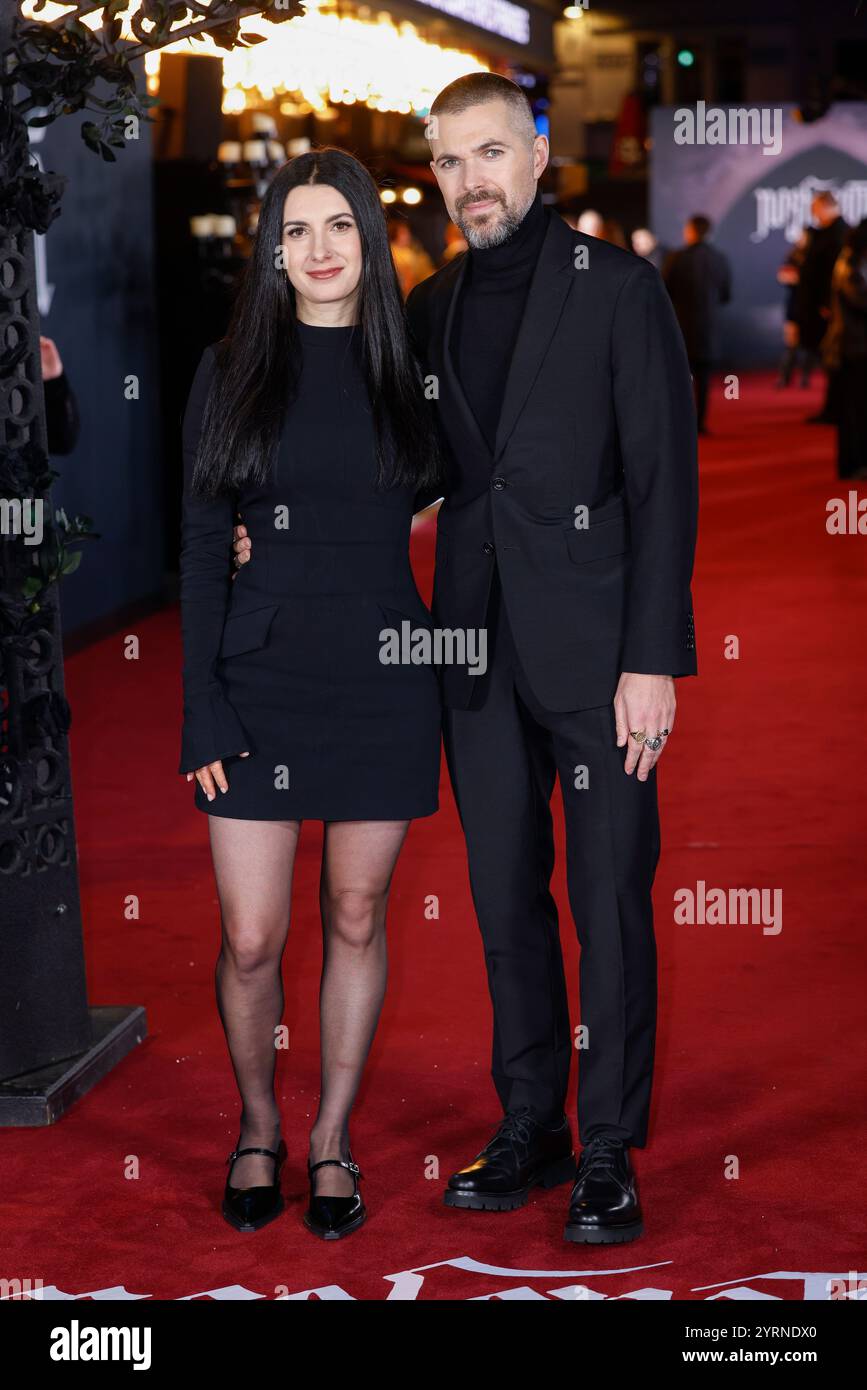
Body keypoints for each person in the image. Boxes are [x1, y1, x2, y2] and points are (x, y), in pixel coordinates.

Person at [237, 72, 698, 1246]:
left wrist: (655, 660)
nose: (470, 180)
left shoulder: (620, 291)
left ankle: (607, 1149)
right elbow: (409, 470)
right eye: (449, 161)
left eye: (491, 153)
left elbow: (663, 487)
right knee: (505, 902)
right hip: (472, 652)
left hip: (601, 660)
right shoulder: (428, 307)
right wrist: (270, 517)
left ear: (540, 156)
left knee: (608, 901)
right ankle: (532, 1120)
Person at [179, 147, 442, 1240]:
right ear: (273, 248)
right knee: (250, 935)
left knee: (354, 910)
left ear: (369, 242)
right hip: (259, 673)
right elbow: (200, 539)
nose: (319, 249)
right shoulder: (230, 364)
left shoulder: (413, 365)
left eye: (339, 226)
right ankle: (257, 1124)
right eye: (296, 230)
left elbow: (475, 488)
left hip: (383, 673)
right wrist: (200, 702)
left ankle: (330, 1133)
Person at [662, 214, 731, 435]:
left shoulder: (676, 258)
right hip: (709, 329)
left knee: (679, 380)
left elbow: (663, 291)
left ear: (691, 231)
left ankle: (681, 424)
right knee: (703, 380)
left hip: (680, 328)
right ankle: (700, 423)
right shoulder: (720, 259)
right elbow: (726, 295)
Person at [795, 191, 848, 424]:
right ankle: (833, 407)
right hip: (822, 309)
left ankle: (836, 408)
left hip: (831, 312)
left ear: (826, 207)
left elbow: (834, 275)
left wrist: (829, 304)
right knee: (829, 361)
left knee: (834, 361)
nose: (812, 213)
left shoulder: (839, 234)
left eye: (815, 208)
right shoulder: (822, 234)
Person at [822, 218, 867, 479]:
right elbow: (859, 300)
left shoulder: (853, 262)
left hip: (855, 346)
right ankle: (852, 464)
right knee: (853, 411)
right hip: (852, 348)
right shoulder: (849, 265)